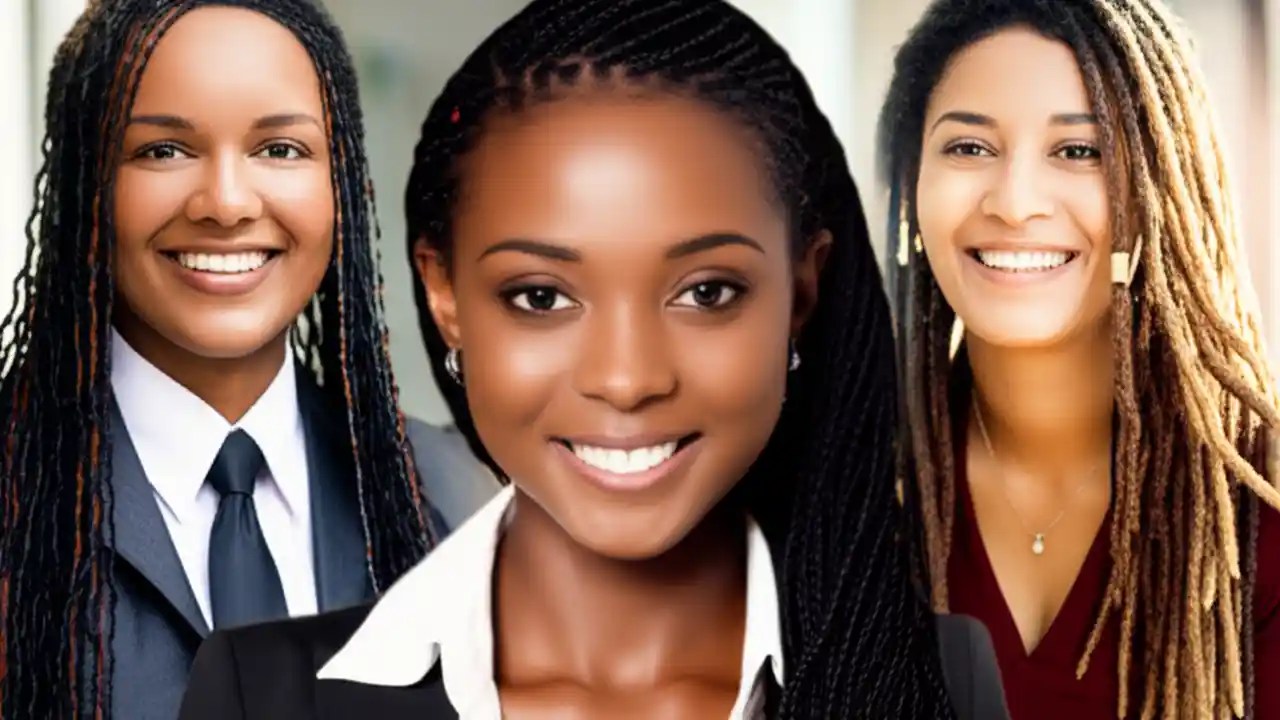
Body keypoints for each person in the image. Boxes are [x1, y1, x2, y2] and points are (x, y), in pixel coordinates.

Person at [177, 0, 1009, 718]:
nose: (627, 377)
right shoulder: (266, 695)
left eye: (707, 292)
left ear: (801, 293)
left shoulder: (940, 683)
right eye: (542, 297)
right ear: (446, 298)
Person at [0, 1, 497, 717]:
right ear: (86, 188)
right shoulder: (23, 486)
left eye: (280, 149)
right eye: (162, 150)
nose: (227, 204)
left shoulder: (455, 494)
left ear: (342, 184)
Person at [879, 0, 1280, 717]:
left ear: (1158, 187)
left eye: (1079, 151)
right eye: (970, 148)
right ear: (911, 186)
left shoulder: (1263, 512)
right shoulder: (845, 486)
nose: (1015, 202)